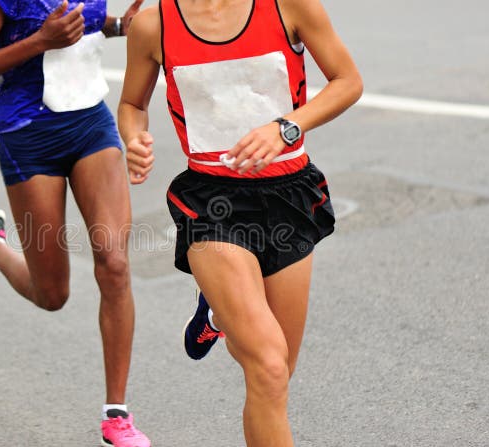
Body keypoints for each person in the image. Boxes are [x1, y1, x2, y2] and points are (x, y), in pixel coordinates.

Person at [118, 0, 362, 444]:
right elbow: (132, 103)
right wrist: (133, 137)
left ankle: (218, 309)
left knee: (274, 377)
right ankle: (221, 299)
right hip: (212, 202)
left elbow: (348, 81)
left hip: (288, 194)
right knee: (268, 364)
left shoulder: (288, 5)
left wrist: (286, 126)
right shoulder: (154, 25)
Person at [0, 0, 150, 446]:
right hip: (27, 133)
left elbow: (88, 23)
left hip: (89, 125)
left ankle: (116, 414)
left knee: (115, 264)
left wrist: (122, 25)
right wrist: (40, 41)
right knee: (52, 294)